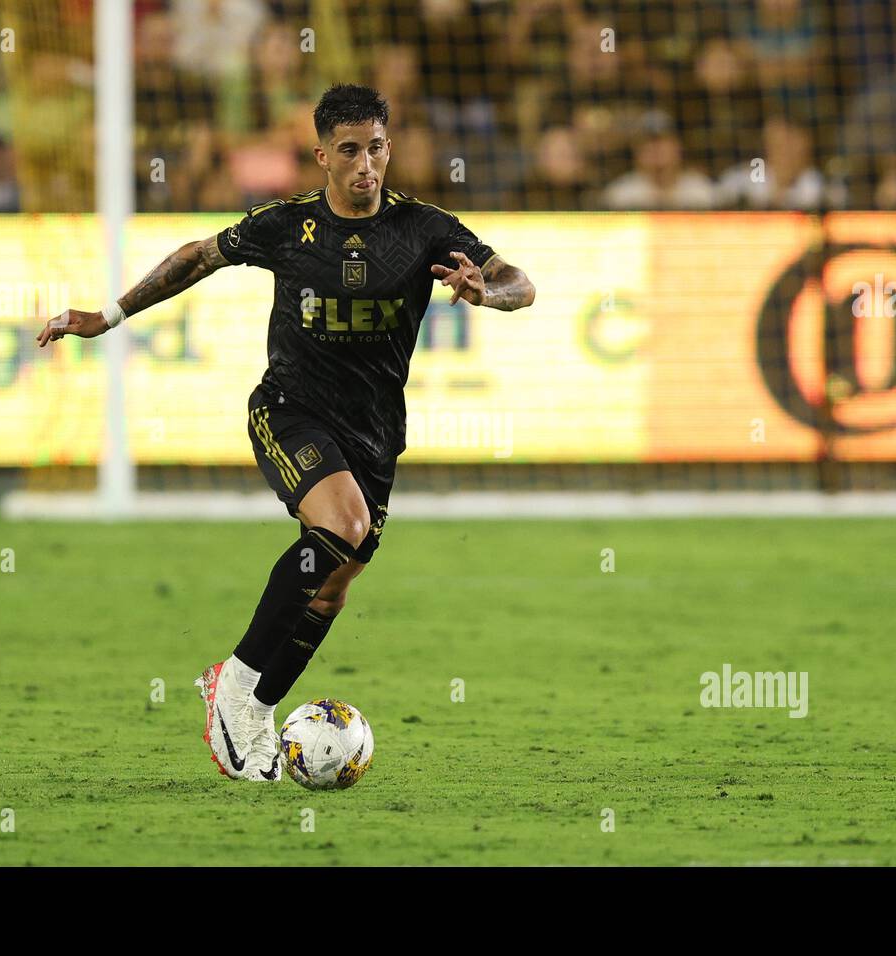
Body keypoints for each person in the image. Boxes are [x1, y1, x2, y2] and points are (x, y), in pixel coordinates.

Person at [35, 84, 535, 782]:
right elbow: (196, 256)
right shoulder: (288, 226)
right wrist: (107, 316)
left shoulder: (423, 229)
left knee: (334, 581)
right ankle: (233, 688)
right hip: (288, 409)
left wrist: (491, 292)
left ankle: (260, 709)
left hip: (375, 433)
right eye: (352, 150)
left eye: (378, 148)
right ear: (322, 154)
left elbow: (519, 281)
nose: (367, 164)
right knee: (344, 524)